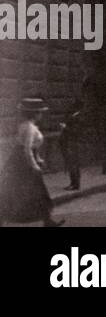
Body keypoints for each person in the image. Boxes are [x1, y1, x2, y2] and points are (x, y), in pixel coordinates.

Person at [0, 97, 63, 226]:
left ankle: (47, 221)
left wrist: (38, 158)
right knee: (29, 191)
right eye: (39, 112)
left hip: (19, 160)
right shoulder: (29, 128)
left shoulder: (25, 125)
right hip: (24, 163)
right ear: (34, 113)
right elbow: (27, 149)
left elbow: (31, 148)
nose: (41, 114)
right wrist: (34, 166)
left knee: (27, 191)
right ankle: (46, 220)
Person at [61, 100, 86, 191]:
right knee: (72, 163)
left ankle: (75, 184)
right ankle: (73, 183)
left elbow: (76, 131)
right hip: (72, 142)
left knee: (73, 164)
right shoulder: (75, 116)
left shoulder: (79, 117)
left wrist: (65, 127)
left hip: (74, 143)